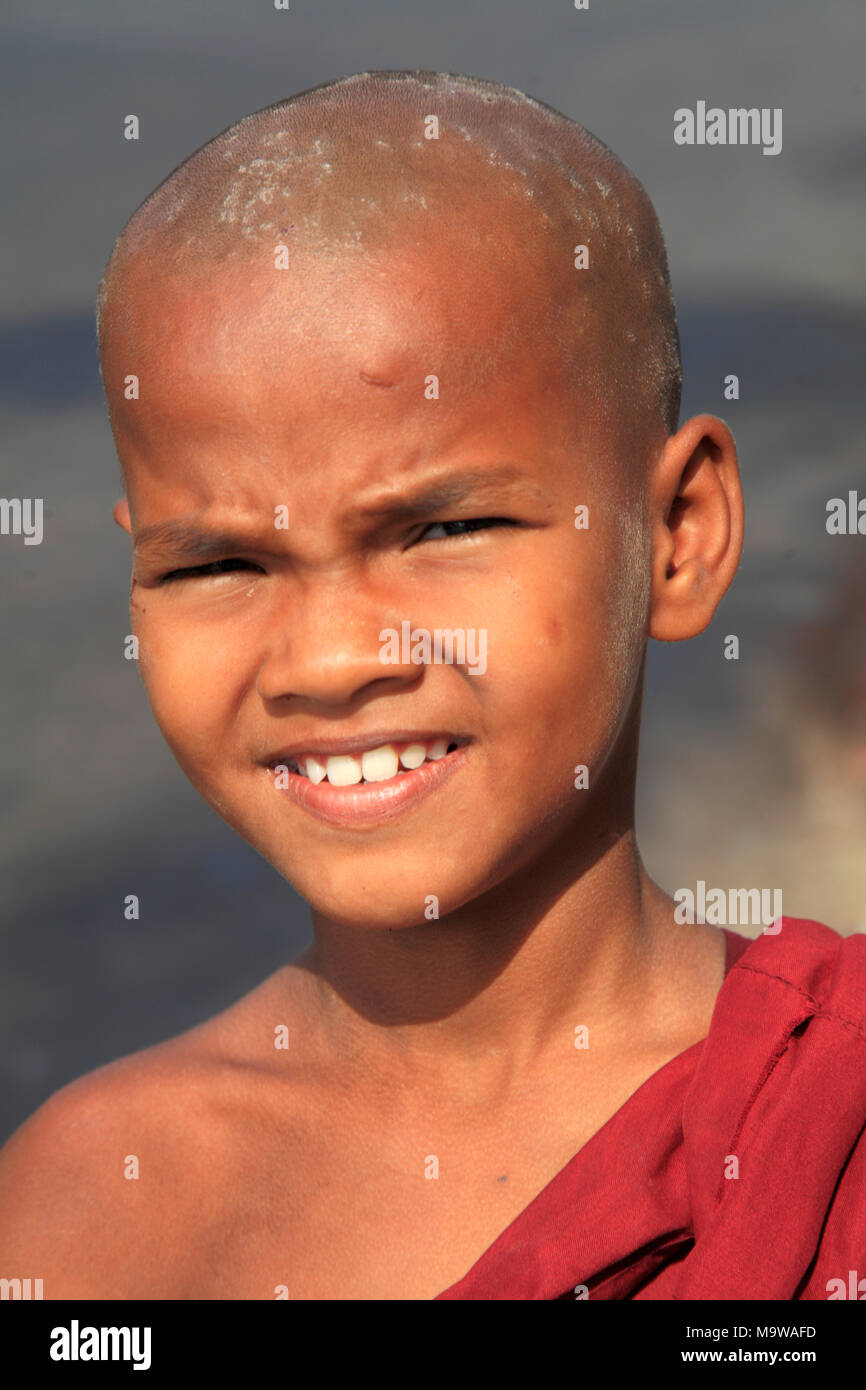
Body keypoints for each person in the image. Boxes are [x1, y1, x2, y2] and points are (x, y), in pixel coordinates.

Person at [1, 70, 863, 1300]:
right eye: (220, 560)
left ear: (674, 533)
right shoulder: (88, 1211)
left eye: (443, 531)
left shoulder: (826, 1112)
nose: (330, 660)